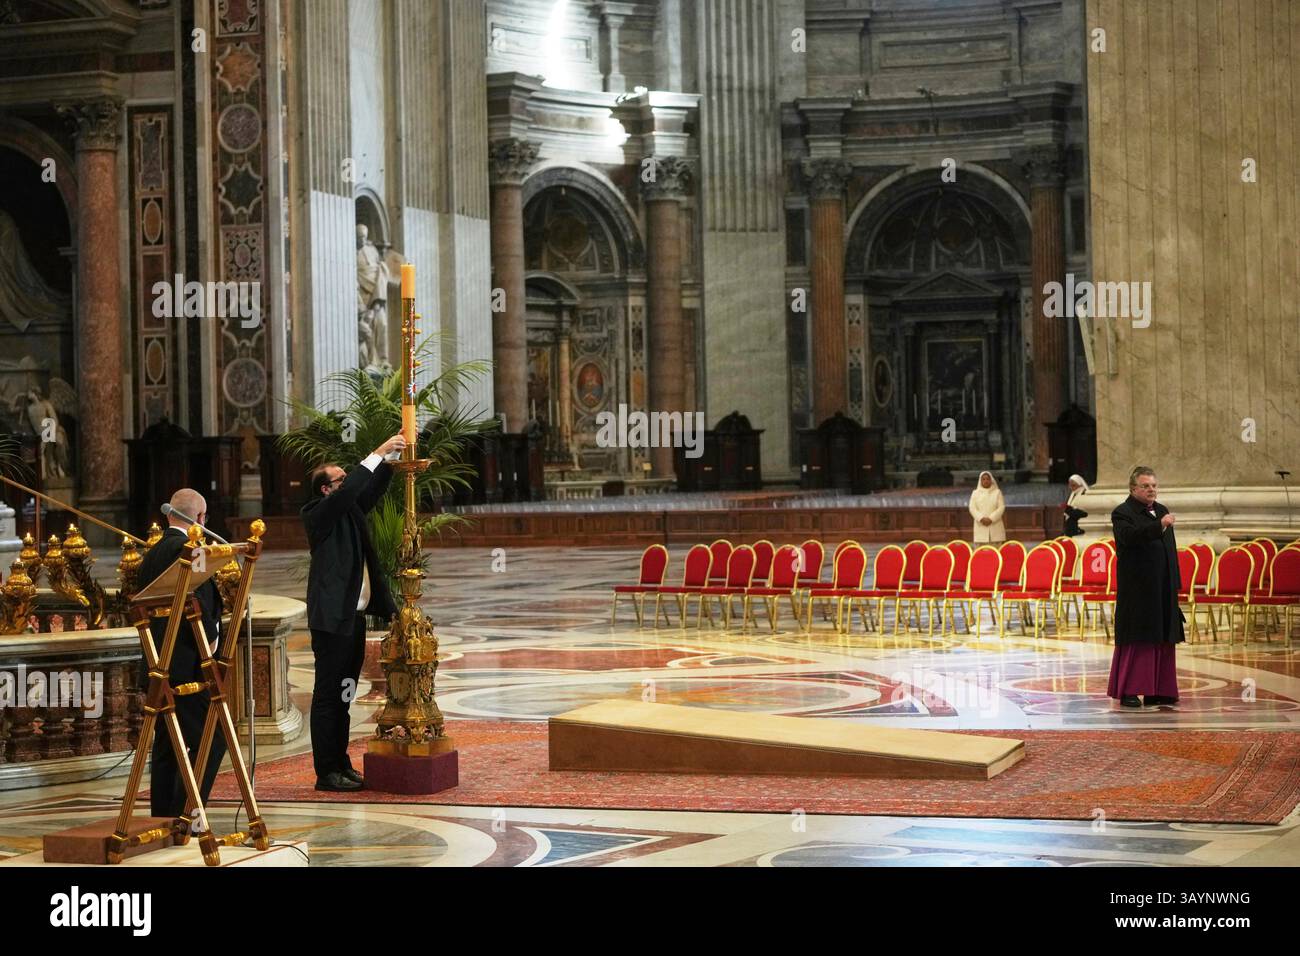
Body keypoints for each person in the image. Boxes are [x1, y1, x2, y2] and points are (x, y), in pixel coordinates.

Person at [301, 433, 405, 792]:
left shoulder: (349, 512)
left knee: (346, 693)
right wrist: (377, 451)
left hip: (352, 620)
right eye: (341, 479)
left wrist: (391, 461)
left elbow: (368, 492)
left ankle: (340, 763)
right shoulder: (318, 514)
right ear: (326, 490)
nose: (347, 484)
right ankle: (325, 771)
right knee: (329, 695)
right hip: (332, 622)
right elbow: (352, 490)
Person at [136, 488, 226, 826]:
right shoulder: (192, 550)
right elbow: (198, 605)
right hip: (188, 663)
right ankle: (186, 815)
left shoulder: (153, 554)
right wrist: (213, 645)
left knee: (168, 745)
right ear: (200, 519)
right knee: (211, 742)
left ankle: (162, 816)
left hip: (158, 664)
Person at [1107, 465, 1184, 708]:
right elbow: (1130, 537)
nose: (1151, 489)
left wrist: (1174, 582)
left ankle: (1158, 689)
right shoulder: (1122, 513)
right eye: (1145, 486)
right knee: (1138, 637)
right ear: (1133, 489)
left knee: (1162, 636)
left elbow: (1169, 550)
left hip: (1163, 586)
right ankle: (1130, 689)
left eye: (1154, 485)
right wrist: (1159, 525)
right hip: (1138, 588)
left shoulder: (1161, 510)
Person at [968, 470, 1006, 543]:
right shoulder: (975, 493)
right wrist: (981, 518)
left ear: (991, 480)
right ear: (980, 481)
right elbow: (972, 508)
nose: (986, 481)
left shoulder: (997, 492)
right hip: (980, 526)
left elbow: (1001, 507)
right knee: (980, 553)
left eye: (988, 479)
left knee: (996, 552)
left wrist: (991, 519)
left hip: (995, 526)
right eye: (984, 479)